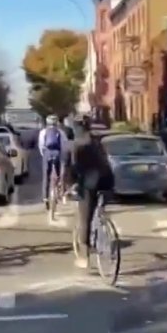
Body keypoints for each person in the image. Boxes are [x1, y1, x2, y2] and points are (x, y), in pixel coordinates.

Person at [64, 114, 114, 269]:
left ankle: (84, 257)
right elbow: (105, 160)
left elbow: (71, 169)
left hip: (90, 183)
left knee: (84, 218)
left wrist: (69, 186)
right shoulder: (96, 141)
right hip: (107, 180)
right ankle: (103, 224)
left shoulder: (76, 145)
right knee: (99, 208)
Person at [38, 115, 67, 208]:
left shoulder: (43, 132)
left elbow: (41, 145)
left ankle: (45, 197)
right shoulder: (60, 132)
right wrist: (62, 155)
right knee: (59, 174)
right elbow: (64, 145)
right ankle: (59, 191)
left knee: (46, 176)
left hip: (47, 153)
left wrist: (43, 154)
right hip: (57, 153)